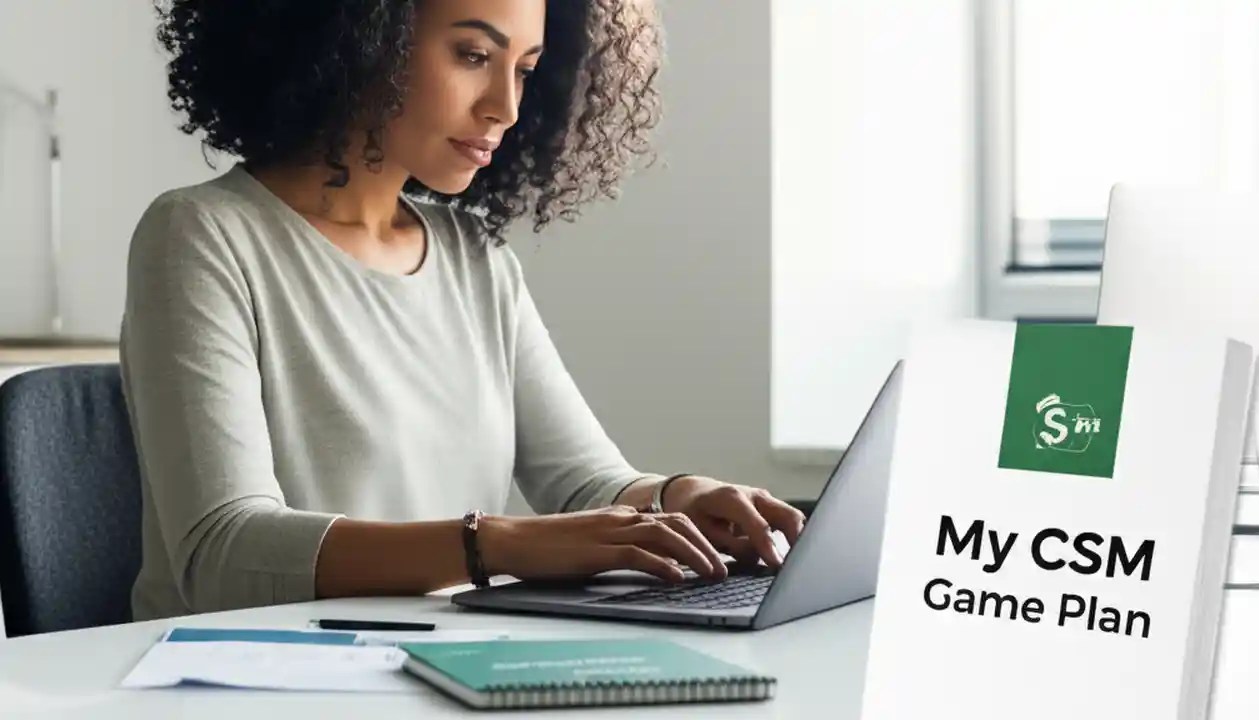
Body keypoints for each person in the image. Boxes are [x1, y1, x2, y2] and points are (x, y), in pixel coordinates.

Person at [123, 0, 805, 621]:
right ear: (364, 37)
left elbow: (584, 484)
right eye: (474, 56)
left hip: (434, 664)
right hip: (249, 679)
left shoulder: (473, 256)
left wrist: (677, 499)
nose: (505, 107)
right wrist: (497, 544)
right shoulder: (200, 233)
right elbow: (221, 553)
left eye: (527, 70)